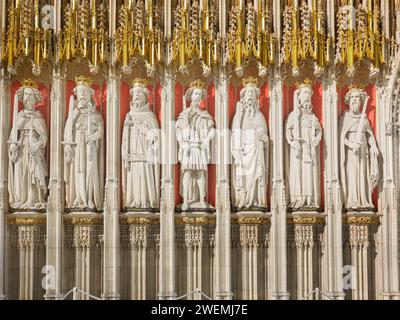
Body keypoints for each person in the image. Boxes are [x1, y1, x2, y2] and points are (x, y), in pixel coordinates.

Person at [64, 76, 104, 210]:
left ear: (90, 95)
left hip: (90, 145)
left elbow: (101, 129)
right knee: (78, 169)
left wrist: (95, 134)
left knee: (90, 168)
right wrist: (75, 113)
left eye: (85, 93)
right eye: (80, 93)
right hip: (77, 144)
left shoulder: (95, 114)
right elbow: (68, 129)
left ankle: (89, 198)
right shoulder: (74, 114)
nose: (82, 96)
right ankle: (78, 198)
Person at [8, 79, 48, 210]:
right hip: (21, 147)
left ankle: (33, 199)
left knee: (32, 173)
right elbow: (13, 135)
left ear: (35, 98)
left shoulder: (38, 117)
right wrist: (13, 145)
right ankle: (21, 199)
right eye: (26, 94)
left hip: (33, 149)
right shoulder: (19, 116)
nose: (28, 98)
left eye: (30, 95)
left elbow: (44, 137)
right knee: (20, 172)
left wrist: (38, 144)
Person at [176, 80, 215, 211]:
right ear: (191, 96)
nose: (197, 97)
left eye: (199, 94)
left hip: (199, 147)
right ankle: (186, 200)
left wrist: (207, 140)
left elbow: (212, 129)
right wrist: (182, 142)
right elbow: (178, 130)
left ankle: (202, 200)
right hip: (188, 147)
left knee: (200, 173)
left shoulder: (205, 115)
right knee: (187, 172)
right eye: (195, 94)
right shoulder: (185, 114)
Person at [122, 78, 160, 209]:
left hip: (146, 156)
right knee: (134, 177)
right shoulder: (129, 115)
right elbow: (125, 138)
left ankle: (146, 201)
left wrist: (146, 131)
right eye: (135, 94)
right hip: (133, 155)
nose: (137, 96)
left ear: (145, 96)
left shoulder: (150, 116)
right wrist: (124, 150)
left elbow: (157, 138)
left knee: (144, 177)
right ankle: (133, 201)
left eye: (140, 93)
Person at [231, 77, 269, 209]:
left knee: (258, 175)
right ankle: (244, 199)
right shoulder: (239, 116)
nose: (251, 96)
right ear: (243, 97)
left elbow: (266, 140)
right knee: (244, 178)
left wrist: (263, 139)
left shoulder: (260, 116)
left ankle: (256, 200)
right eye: (249, 93)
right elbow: (235, 136)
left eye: (253, 93)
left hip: (256, 154)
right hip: (244, 154)